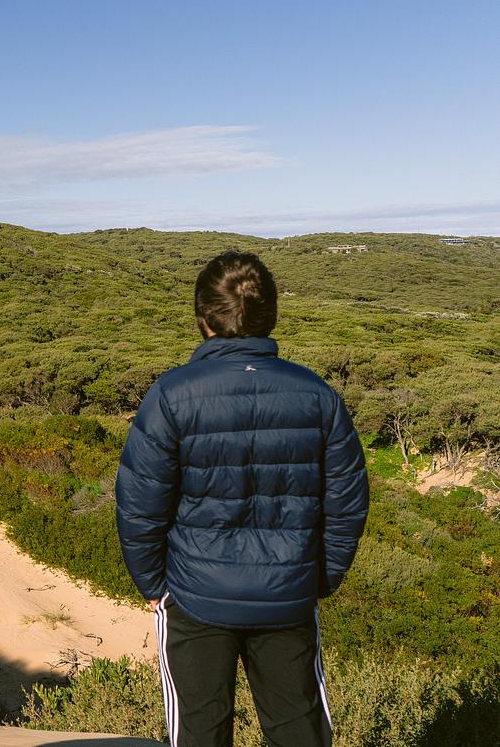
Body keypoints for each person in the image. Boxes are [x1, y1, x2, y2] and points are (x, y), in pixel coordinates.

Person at [115, 251, 368, 747]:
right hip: (288, 595)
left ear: (203, 318)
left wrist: (153, 585)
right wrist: (319, 578)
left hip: (193, 595)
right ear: (269, 315)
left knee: (199, 732)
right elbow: (347, 503)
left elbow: (140, 505)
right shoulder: (318, 395)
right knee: (299, 731)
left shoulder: (171, 395)